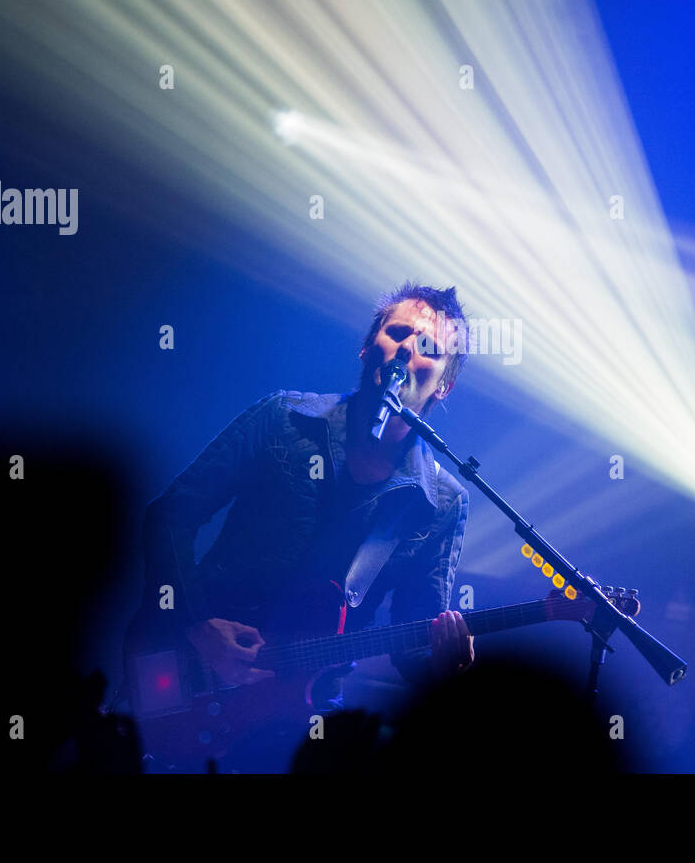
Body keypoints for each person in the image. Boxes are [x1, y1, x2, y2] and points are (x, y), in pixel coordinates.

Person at [135, 283, 474, 770]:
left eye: (429, 347)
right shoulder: (283, 419)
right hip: (186, 666)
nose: (407, 348)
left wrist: (448, 668)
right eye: (397, 332)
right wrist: (196, 625)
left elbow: (413, 648)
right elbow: (170, 515)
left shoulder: (440, 501)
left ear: (443, 385)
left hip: (301, 714)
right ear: (367, 347)